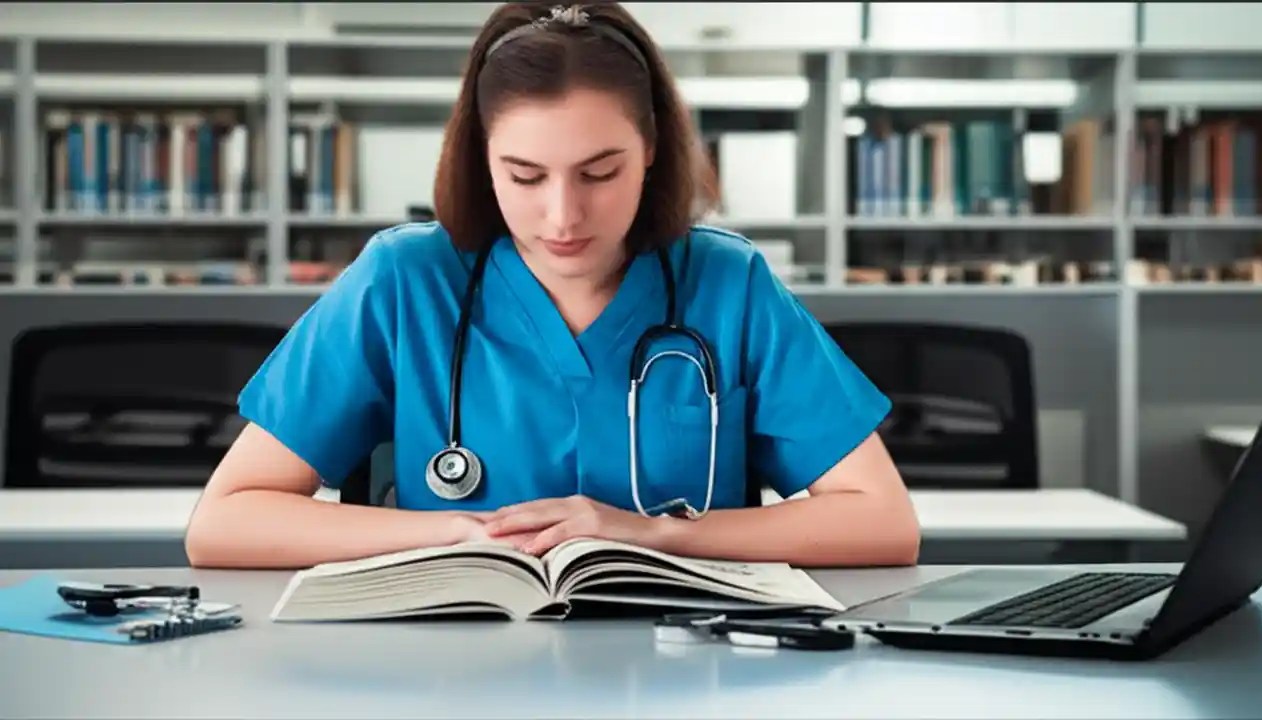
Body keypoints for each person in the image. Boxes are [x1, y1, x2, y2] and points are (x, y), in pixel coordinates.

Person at [184, 1, 920, 570]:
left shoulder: (730, 285)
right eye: (524, 176)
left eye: (600, 173)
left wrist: (651, 535)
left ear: (654, 153)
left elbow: (883, 523)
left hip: (684, 679)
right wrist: (462, 533)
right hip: (455, 676)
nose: (563, 215)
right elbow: (225, 521)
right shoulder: (404, 281)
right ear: (483, 158)